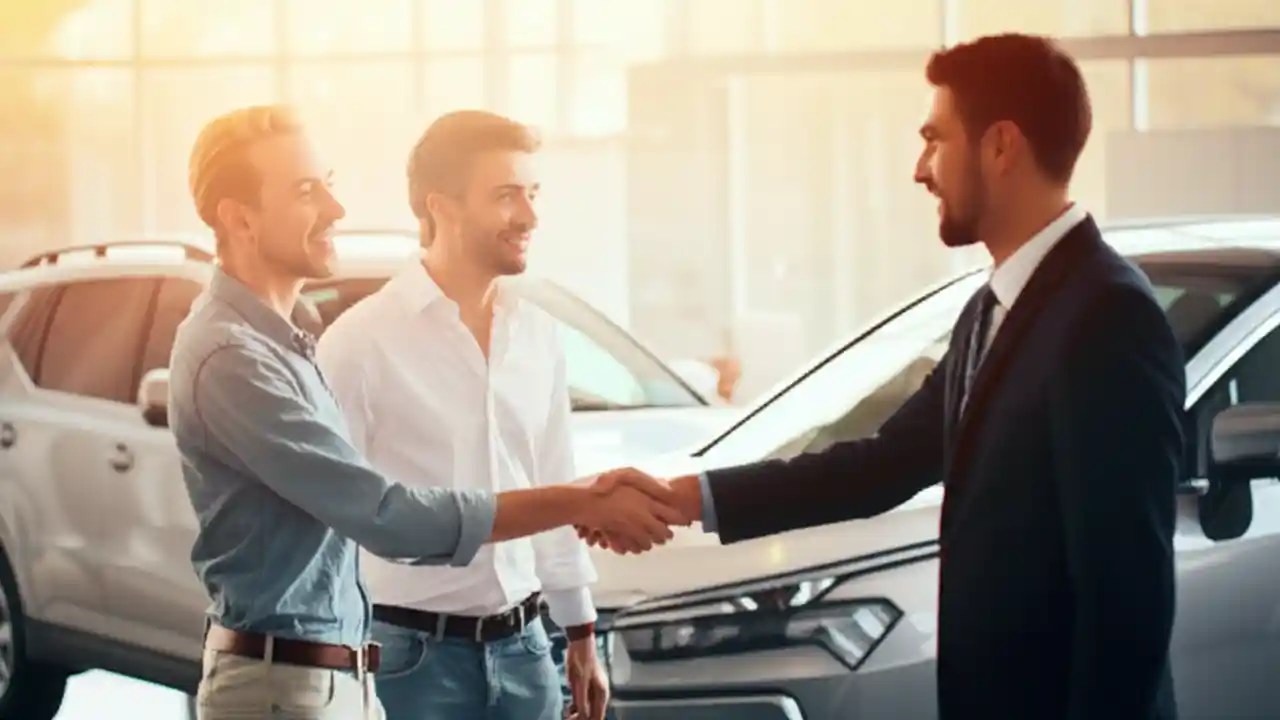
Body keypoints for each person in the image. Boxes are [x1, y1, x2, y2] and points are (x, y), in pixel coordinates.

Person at [593, 34, 1185, 719]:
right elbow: (881, 466)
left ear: (1000, 146)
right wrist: (684, 497)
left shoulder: (1108, 316)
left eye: (935, 139)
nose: (919, 170)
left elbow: (1127, 598)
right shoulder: (990, 309)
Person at [171, 104, 688, 720]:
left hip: (387, 668)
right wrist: (581, 502)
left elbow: (540, 469)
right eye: (308, 191)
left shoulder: (286, 340)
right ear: (239, 217)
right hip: (337, 673)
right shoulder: (247, 355)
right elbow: (385, 516)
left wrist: (578, 621)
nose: (337, 209)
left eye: (329, 185)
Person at [316, 110, 608, 720]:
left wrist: (581, 630)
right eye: (506, 196)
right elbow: (327, 524)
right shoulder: (359, 343)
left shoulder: (538, 335)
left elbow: (555, 486)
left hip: (529, 653)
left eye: (532, 194)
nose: (529, 216)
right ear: (441, 206)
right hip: (408, 661)